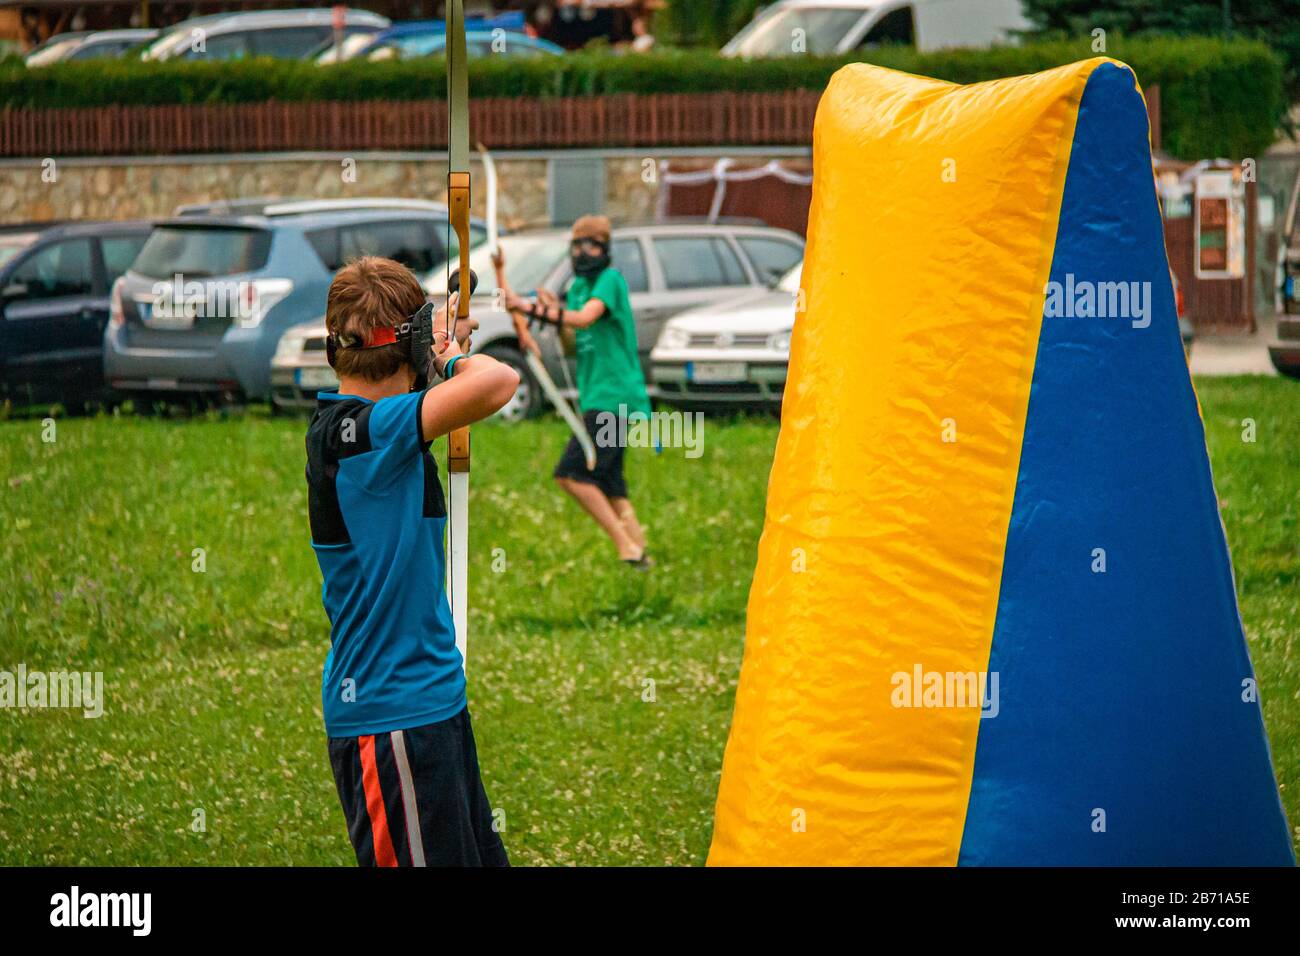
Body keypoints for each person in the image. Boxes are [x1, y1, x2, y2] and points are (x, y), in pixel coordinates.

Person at [306, 255, 519, 866]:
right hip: (387, 716)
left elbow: (417, 404)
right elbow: (496, 382)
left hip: (431, 704)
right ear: (411, 349)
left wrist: (430, 345)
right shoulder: (355, 433)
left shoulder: (370, 425)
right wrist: (448, 356)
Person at [495, 215, 653, 568]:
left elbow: (584, 319)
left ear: (605, 249)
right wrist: (551, 311)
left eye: (593, 245)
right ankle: (642, 558)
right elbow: (571, 343)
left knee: (572, 474)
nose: (584, 252)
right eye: (578, 245)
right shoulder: (579, 288)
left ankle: (625, 546)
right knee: (611, 483)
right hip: (596, 395)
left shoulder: (610, 281)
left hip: (617, 397)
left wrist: (528, 307)